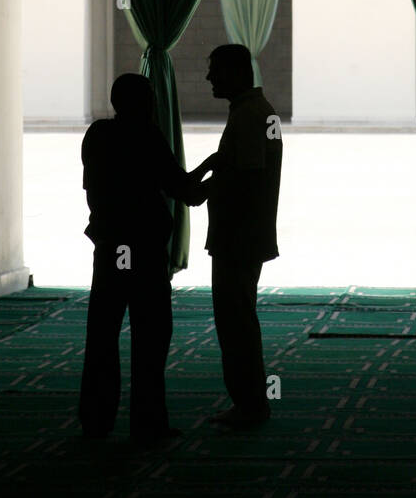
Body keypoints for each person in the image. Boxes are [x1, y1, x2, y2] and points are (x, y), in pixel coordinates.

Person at [78, 72, 216, 446]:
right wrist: (215, 168)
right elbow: (185, 191)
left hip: (111, 248)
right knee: (150, 338)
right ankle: (148, 423)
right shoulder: (147, 137)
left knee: (103, 335)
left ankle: (96, 421)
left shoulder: (98, 134)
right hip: (143, 250)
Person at [204, 44, 283, 429]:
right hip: (244, 235)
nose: (208, 79)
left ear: (237, 73)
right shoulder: (257, 112)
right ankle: (250, 402)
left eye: (216, 71)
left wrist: (200, 188)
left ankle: (249, 405)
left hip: (238, 237)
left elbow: (245, 177)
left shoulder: (252, 115)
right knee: (240, 319)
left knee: (235, 322)